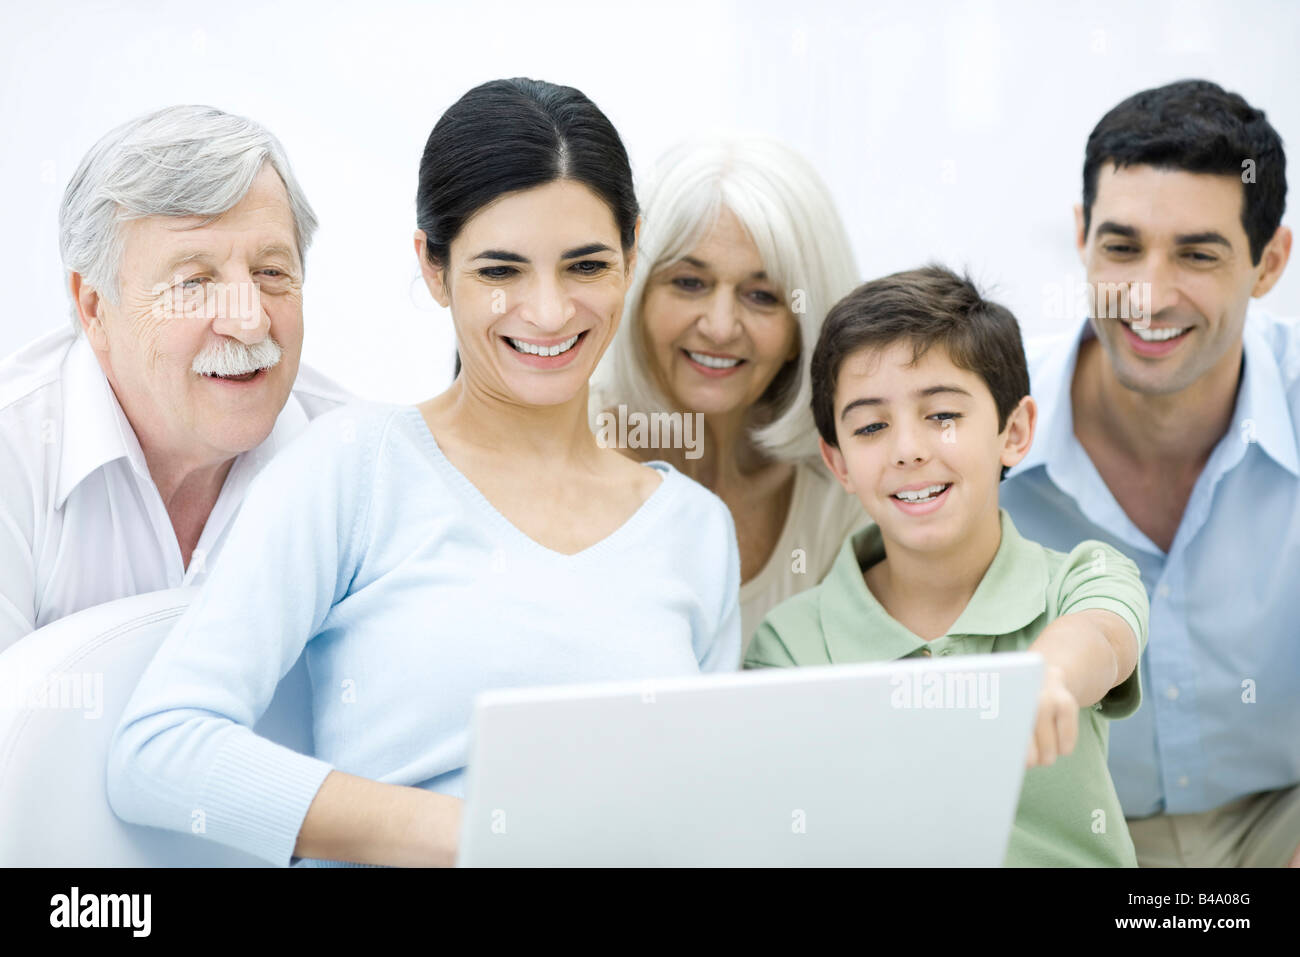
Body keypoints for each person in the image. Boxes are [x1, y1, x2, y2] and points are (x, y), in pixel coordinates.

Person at [107, 78, 741, 868]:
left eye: (585, 265)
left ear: (632, 255)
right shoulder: (355, 467)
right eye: (500, 271)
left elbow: (714, 813)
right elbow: (161, 750)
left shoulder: (695, 529)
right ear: (434, 269)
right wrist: (477, 834)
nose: (547, 311)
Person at [745, 265, 1150, 867]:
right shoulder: (790, 645)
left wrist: (1050, 675)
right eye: (872, 426)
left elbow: (1102, 634)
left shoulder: (1079, 581)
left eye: (942, 416)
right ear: (839, 462)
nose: (908, 448)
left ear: (1014, 432)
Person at [1000, 79, 1300, 867]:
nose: (1149, 294)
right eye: (1123, 247)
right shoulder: (980, 422)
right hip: (1066, 839)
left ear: (1269, 263)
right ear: (1081, 236)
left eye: (1198, 254)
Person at [0, 105, 351, 651]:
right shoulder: (14, 459)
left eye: (271, 273)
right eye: (194, 282)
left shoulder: (356, 462)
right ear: (94, 306)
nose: (249, 320)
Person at [592, 137, 864, 658]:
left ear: (803, 328)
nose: (719, 327)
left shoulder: (844, 490)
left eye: (761, 296)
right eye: (689, 282)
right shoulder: (561, 442)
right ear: (635, 291)